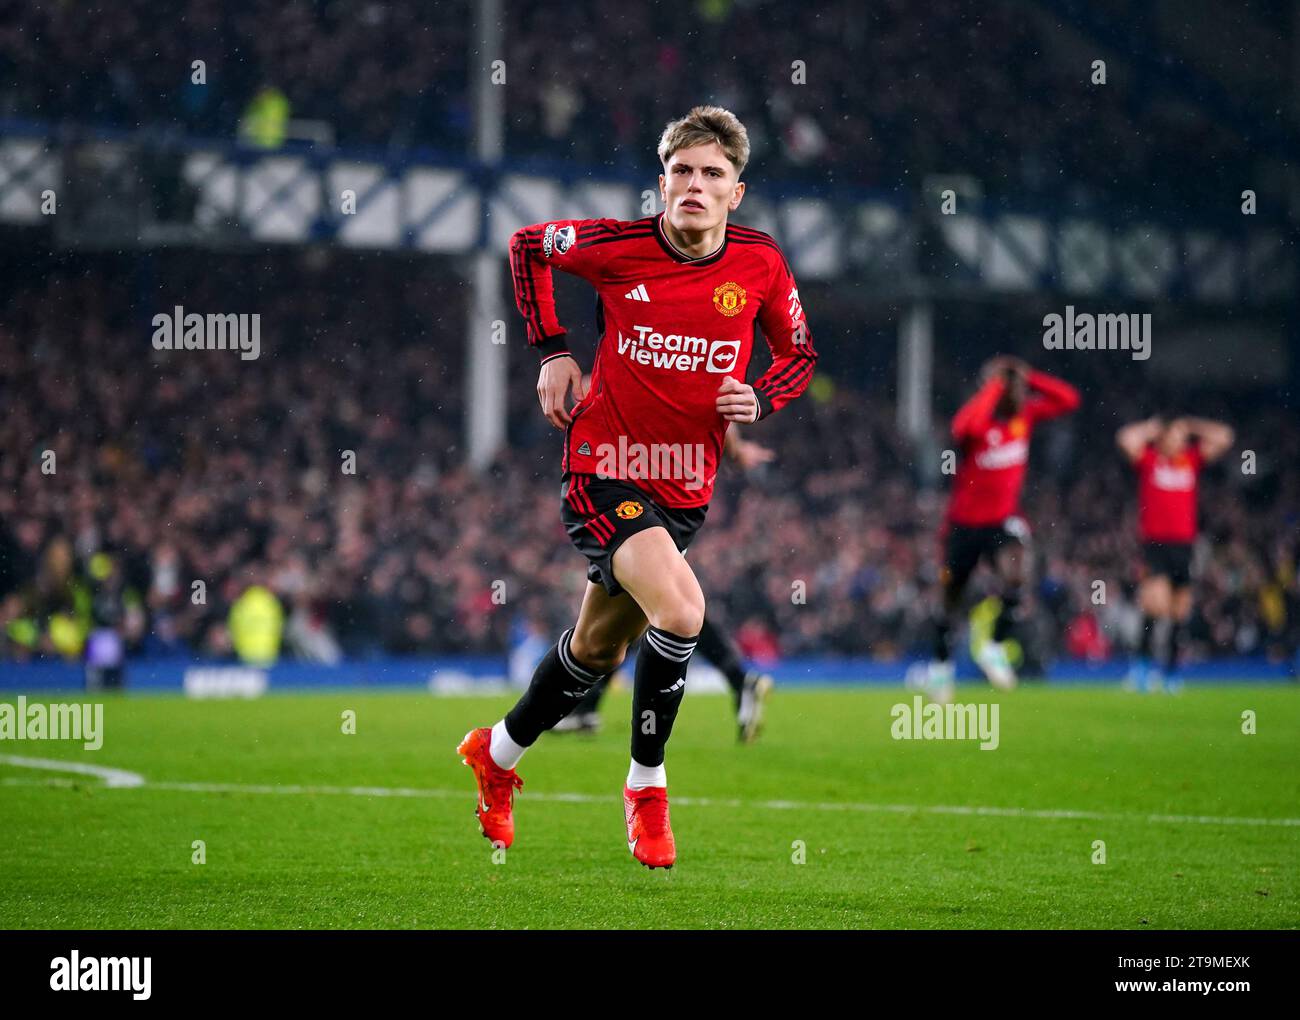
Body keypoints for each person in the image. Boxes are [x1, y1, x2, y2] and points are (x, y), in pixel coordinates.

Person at [457, 106, 817, 869]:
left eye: (711, 174)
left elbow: (799, 355)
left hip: (686, 490)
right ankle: (646, 789)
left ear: (735, 194)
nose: (694, 184)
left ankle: (496, 752)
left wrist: (762, 396)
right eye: (681, 171)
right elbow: (526, 246)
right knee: (684, 610)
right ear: (662, 183)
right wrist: (553, 351)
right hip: (602, 467)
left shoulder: (760, 264)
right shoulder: (619, 247)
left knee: (592, 649)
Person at [552, 425, 776, 742]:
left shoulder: (622, 381)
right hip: (665, 496)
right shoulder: (675, 384)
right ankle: (739, 679)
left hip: (644, 499)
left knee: (655, 607)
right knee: (655, 607)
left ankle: (587, 709)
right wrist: (737, 451)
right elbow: (717, 409)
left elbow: (715, 406)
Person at [924, 356, 1080, 702]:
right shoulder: (979, 427)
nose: (1017, 393)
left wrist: (1031, 376)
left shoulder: (1024, 418)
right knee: (951, 600)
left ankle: (993, 645)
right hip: (963, 526)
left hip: (1002, 520)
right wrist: (994, 386)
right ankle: (940, 669)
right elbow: (961, 428)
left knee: (1017, 575)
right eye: (1010, 388)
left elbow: (1069, 400)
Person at [1116, 415, 1234, 691]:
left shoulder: (1190, 460)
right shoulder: (1149, 460)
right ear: (1163, 438)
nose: (1181, 441)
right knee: (1155, 607)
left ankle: (1170, 674)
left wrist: (1192, 425)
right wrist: (1150, 428)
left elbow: (1225, 436)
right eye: (1176, 436)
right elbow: (1124, 438)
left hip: (1184, 547)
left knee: (1179, 613)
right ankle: (1142, 670)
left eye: (1183, 438)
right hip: (1155, 546)